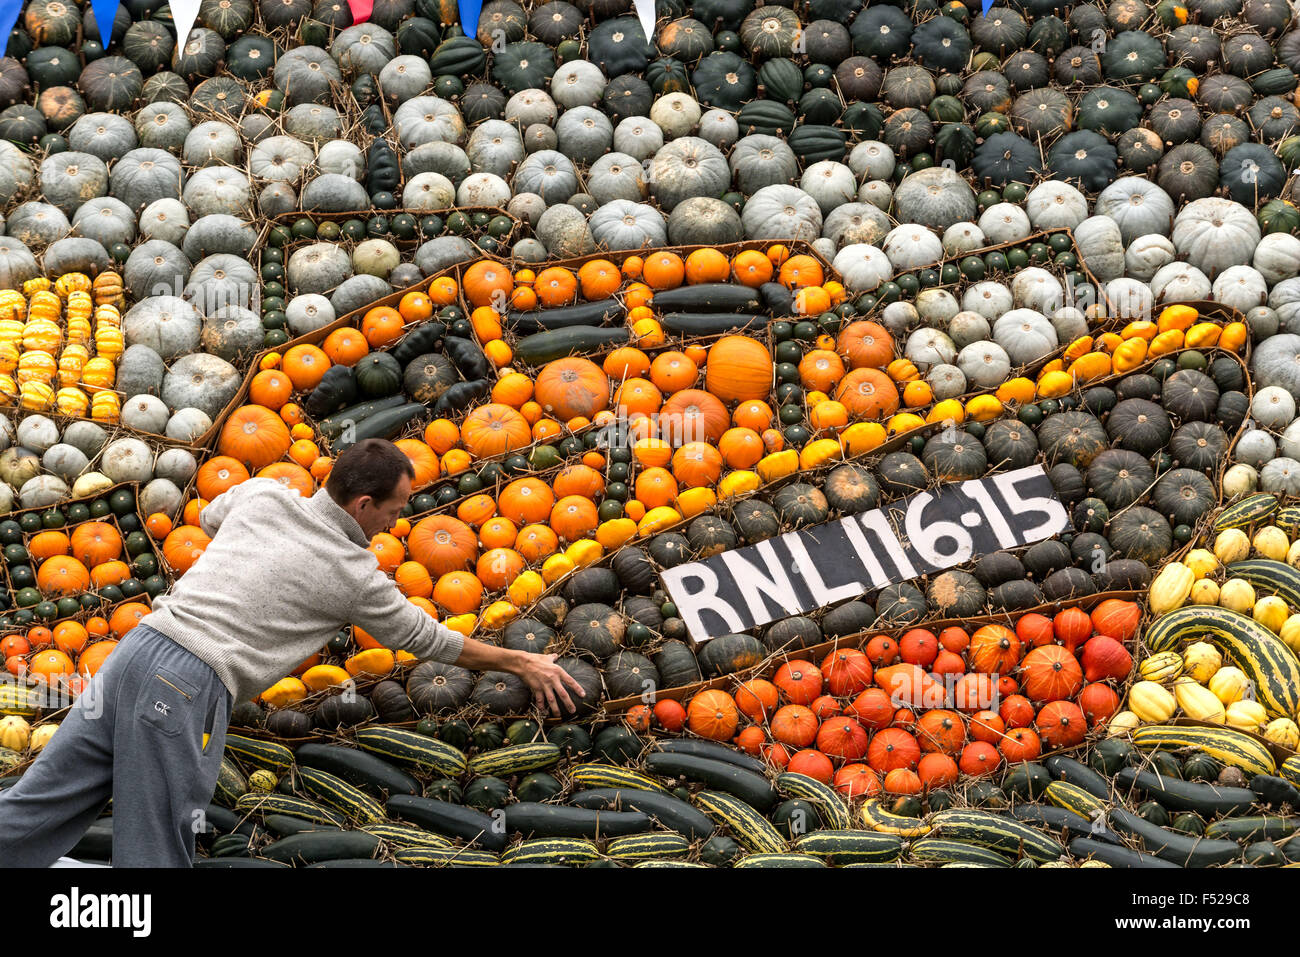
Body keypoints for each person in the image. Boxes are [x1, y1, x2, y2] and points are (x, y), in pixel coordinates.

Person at [0, 438, 584, 867]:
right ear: (362, 506)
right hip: (187, 682)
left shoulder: (263, 495)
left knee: (41, 801)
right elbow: (426, 640)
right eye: (397, 506)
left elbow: (207, 515)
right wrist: (519, 660)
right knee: (155, 840)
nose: (400, 517)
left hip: (136, 651)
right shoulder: (354, 574)